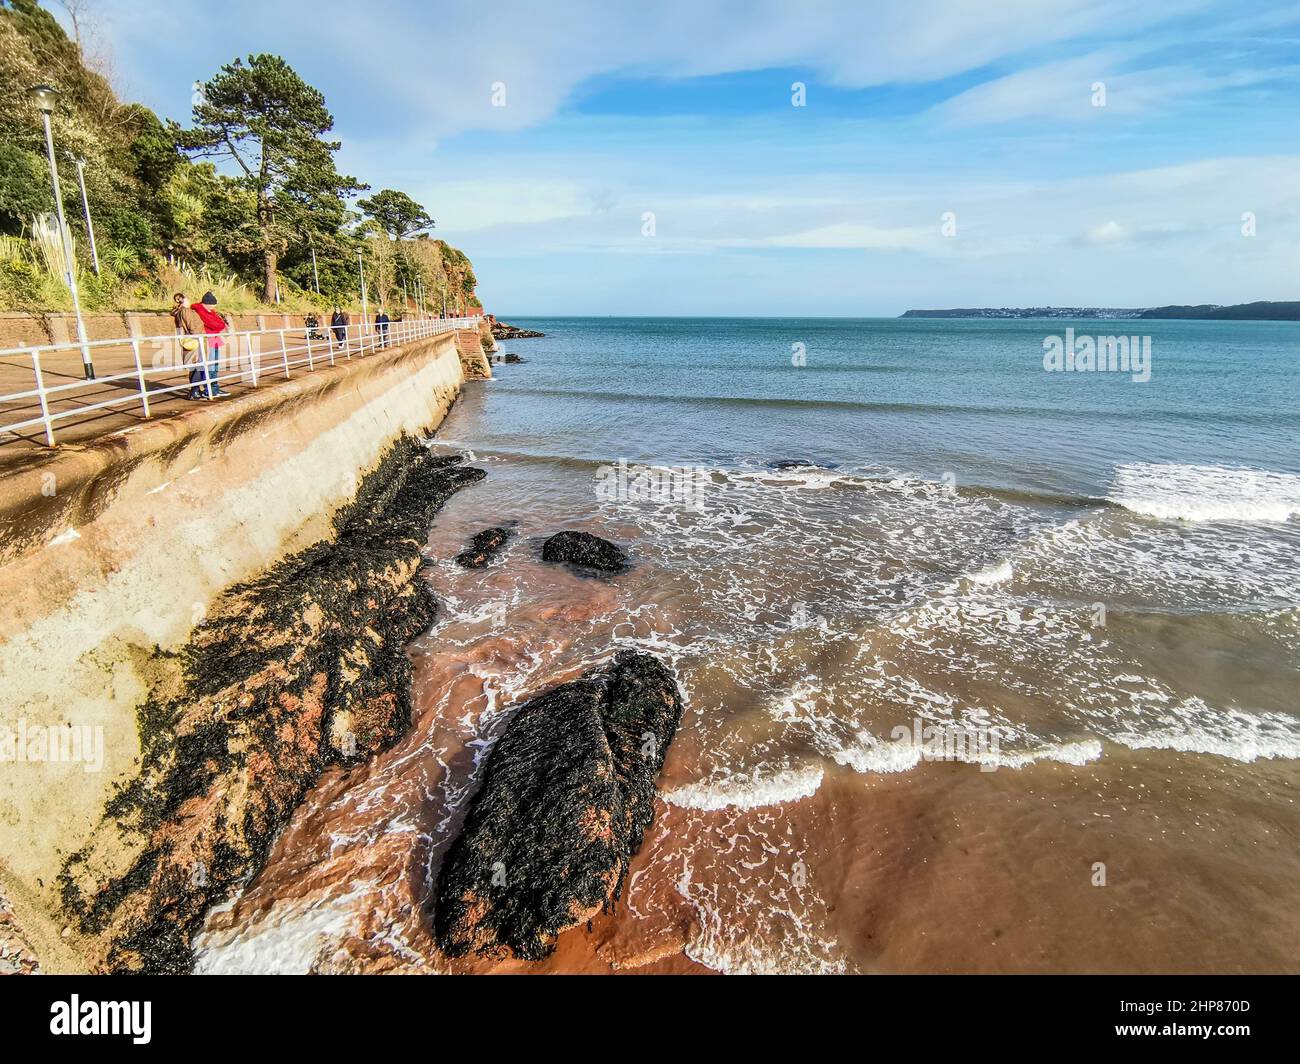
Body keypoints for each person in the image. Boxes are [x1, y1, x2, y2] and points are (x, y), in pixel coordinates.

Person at [191, 291, 231, 397]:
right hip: (208, 341)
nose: (213, 308)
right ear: (206, 304)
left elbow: (220, 323)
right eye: (212, 306)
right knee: (210, 367)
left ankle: (214, 388)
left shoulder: (209, 311)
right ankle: (210, 389)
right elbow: (215, 324)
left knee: (214, 366)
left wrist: (220, 324)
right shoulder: (200, 311)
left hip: (214, 340)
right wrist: (220, 325)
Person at [171, 292, 210, 400]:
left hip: (189, 341)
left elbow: (180, 329)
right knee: (196, 366)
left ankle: (196, 390)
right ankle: (195, 391)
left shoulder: (180, 312)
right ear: (184, 300)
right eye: (187, 299)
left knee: (195, 366)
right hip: (194, 341)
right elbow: (192, 327)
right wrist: (201, 334)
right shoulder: (186, 311)